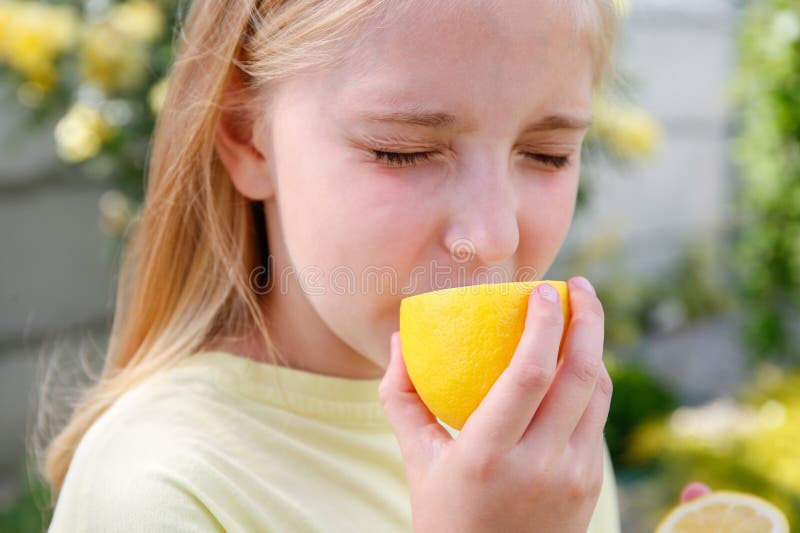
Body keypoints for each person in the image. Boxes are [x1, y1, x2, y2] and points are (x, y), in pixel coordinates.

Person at [36, 0, 652, 530]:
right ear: (250, 138)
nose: (494, 235)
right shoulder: (156, 490)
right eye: (403, 152)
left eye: (548, 155)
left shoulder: (541, 433)